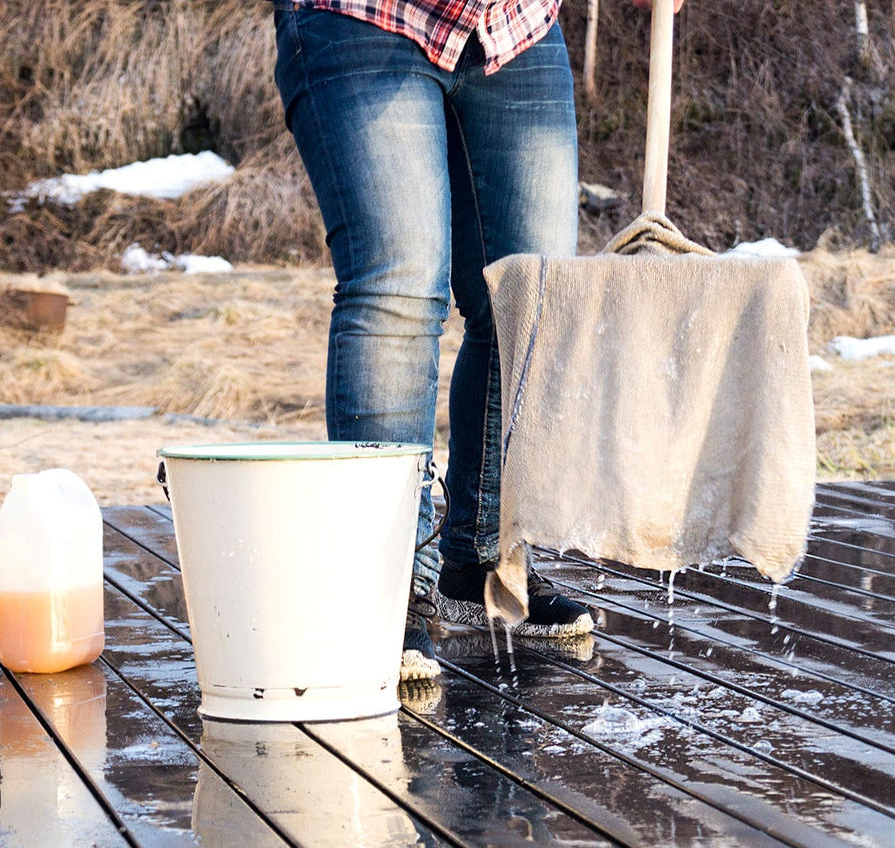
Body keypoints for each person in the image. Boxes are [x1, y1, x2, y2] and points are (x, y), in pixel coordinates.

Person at [270, 0, 683, 681]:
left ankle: (479, 565)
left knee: (526, 301)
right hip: (368, 16)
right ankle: (383, 593)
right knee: (399, 291)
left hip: (512, 28)